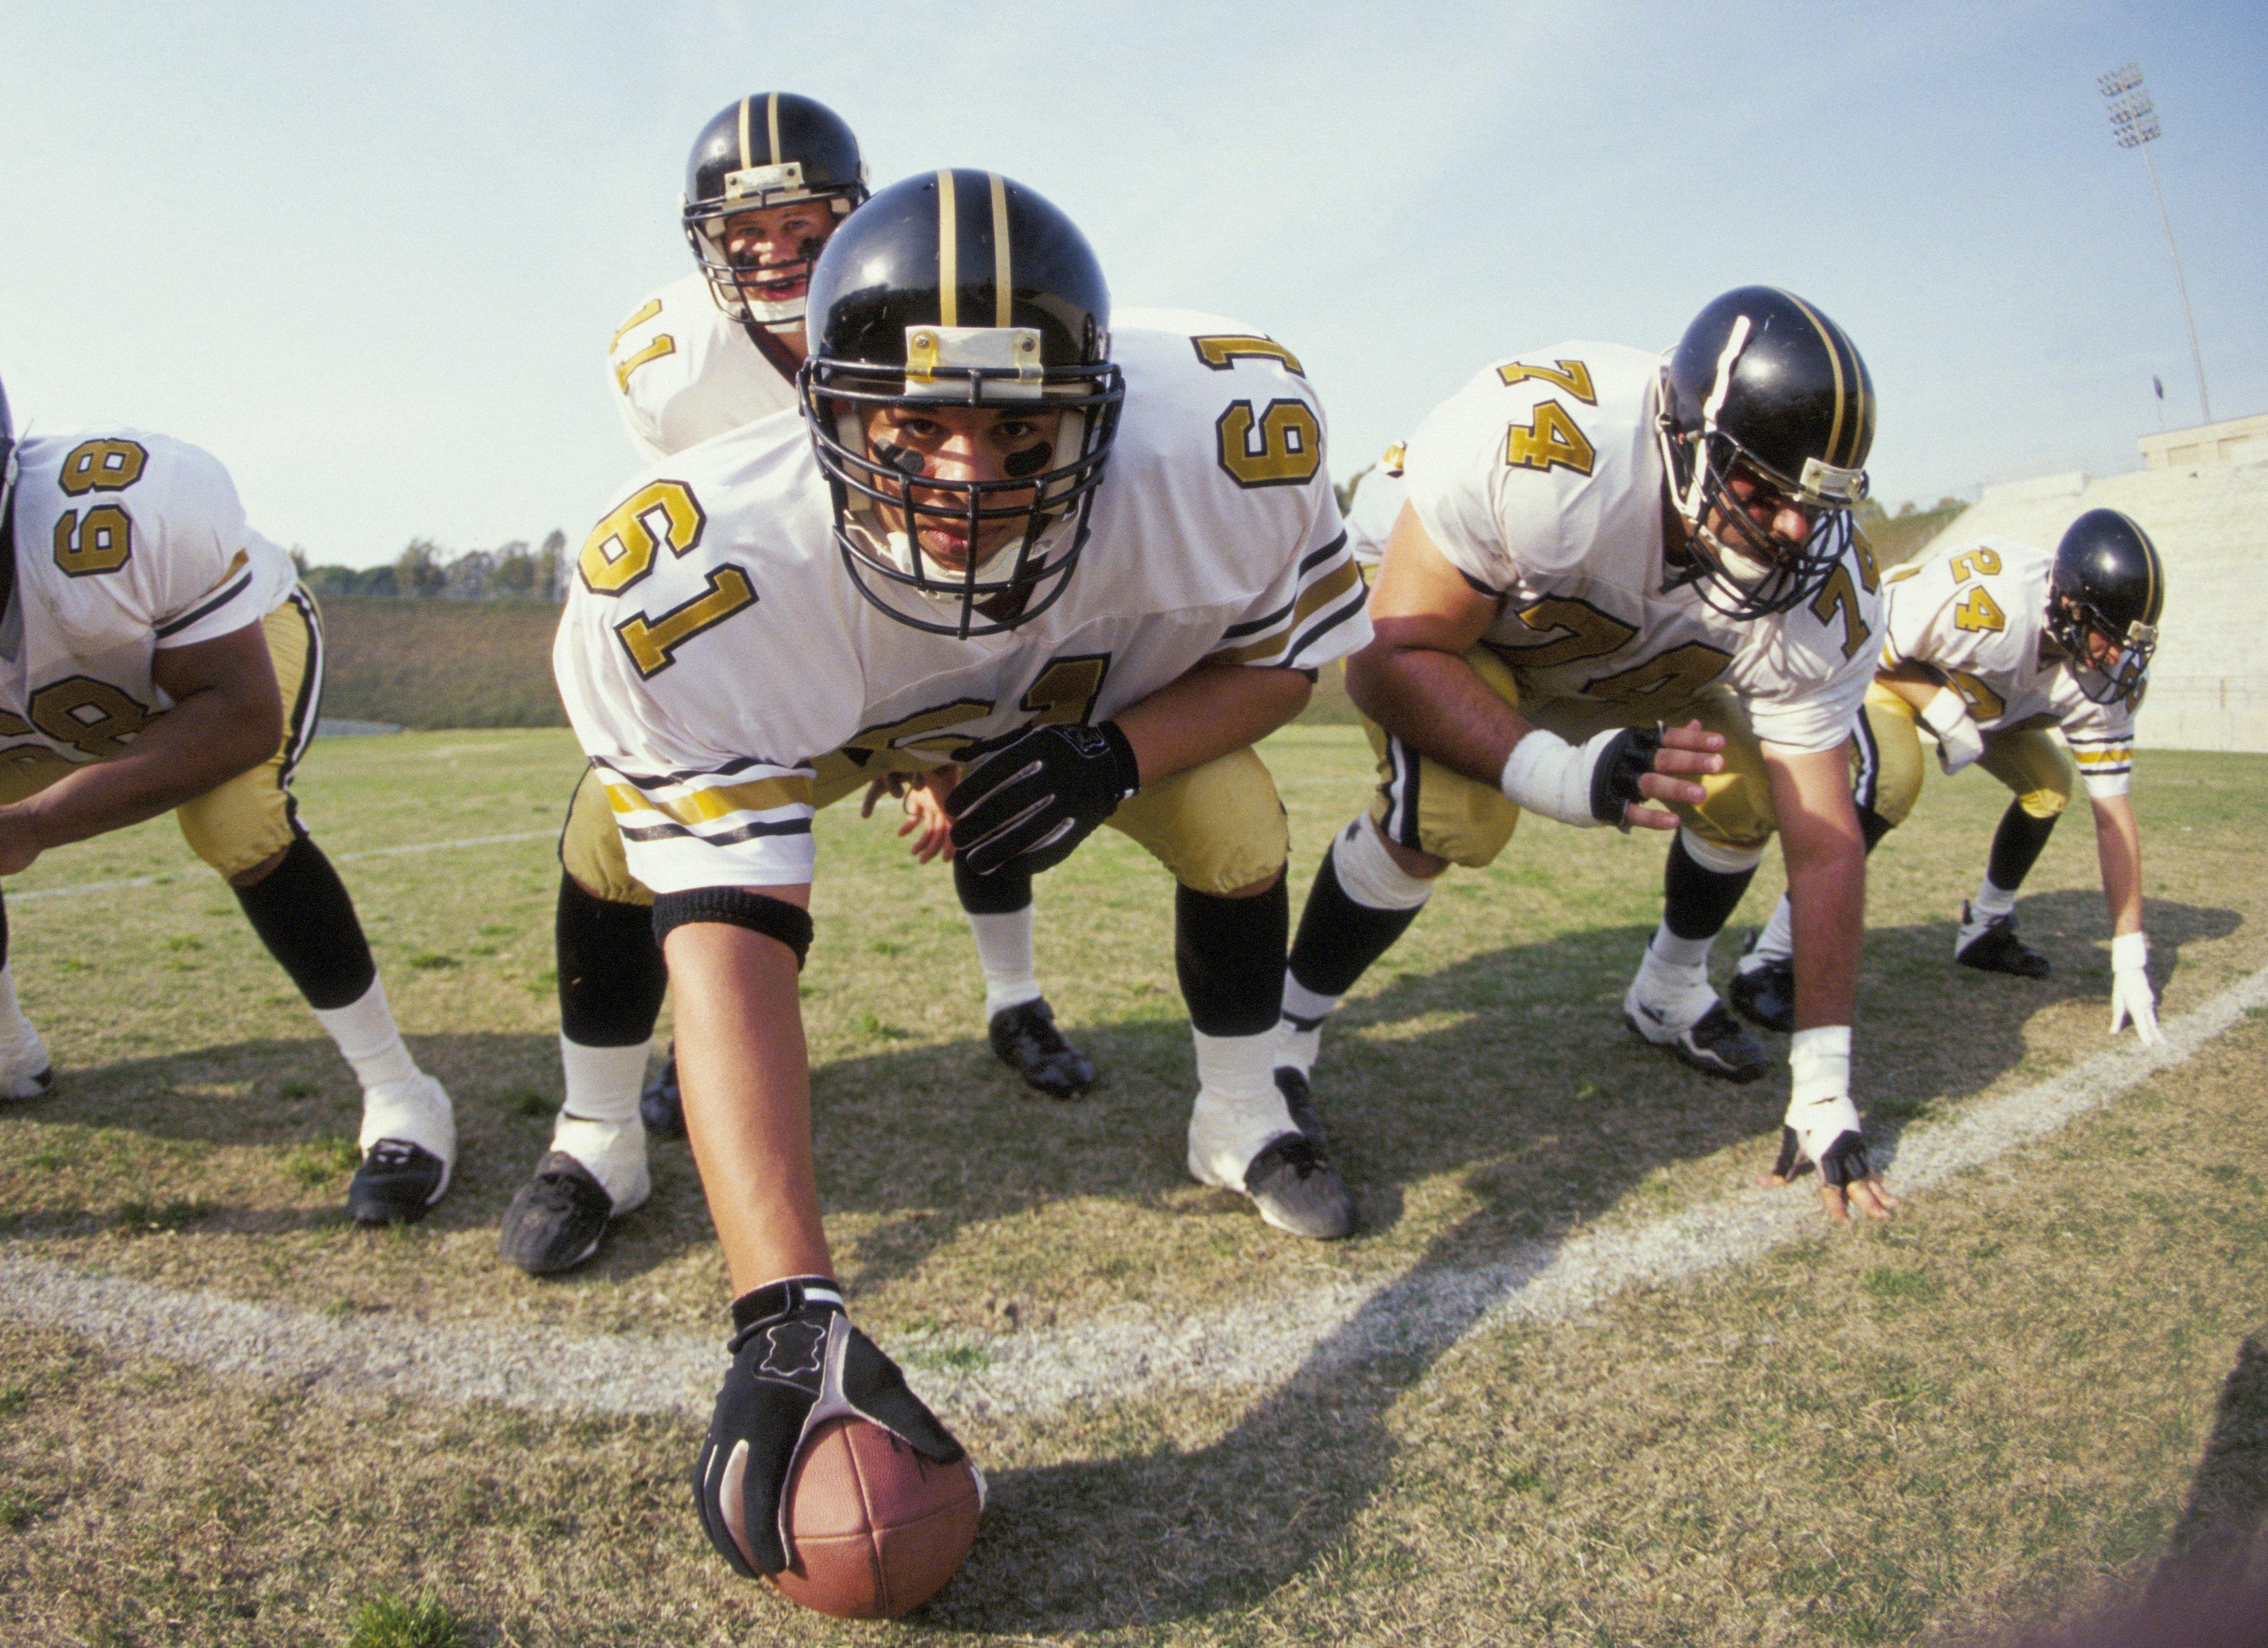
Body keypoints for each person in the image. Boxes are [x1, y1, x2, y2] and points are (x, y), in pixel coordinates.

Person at [555, 167, 1370, 1579]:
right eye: (914, 424)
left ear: (1095, 410)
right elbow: (737, 931)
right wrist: (784, 1310)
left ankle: (1240, 1117)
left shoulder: (1227, 455)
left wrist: (1110, 758)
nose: (967, 478)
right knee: (608, 849)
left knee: (1234, 815)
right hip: (848, 717)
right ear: (823, 408)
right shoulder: (698, 571)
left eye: (1018, 428)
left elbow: (1281, 668)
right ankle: (596, 1137)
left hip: (1080, 710)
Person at [509, 98, 1085, 1279]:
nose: (771, 248)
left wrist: (938, 735)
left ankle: (1012, 998)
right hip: (793, 633)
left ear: (857, 214)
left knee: (1006, 772)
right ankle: (594, 1130)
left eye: (801, 219)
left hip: (970, 606)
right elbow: (724, 563)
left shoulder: (934, 294)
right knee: (609, 835)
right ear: (702, 245)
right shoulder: (668, 367)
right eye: (745, 228)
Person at [0, 322, 456, 1239]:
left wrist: (33, 820)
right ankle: (1, 1045)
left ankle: (400, 1091)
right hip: (75, 701)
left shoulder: (116, 509)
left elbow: (237, 715)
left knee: (232, 818)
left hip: (224, 655)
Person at [1281, 287, 1900, 1224]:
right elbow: (1389, 660)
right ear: (1686, 440)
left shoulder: (1823, 585)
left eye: (1816, 503)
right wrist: (1561, 776)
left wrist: (1824, 1082)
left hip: (1616, 652)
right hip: (1444, 620)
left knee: (1753, 794)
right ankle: (1283, 1033)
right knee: (1454, 814)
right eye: (1765, 491)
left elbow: (1826, 842)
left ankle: (1669, 988)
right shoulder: (1549, 451)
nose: (1794, 533)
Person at [1731, 509, 2168, 1046]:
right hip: (1881, 659)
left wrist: (2128, 952)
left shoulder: (2104, 675)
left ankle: (1986, 926)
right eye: (2109, 633)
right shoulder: (1993, 602)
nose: (2119, 656)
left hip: (1982, 701)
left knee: (2050, 788)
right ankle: (1768, 957)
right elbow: (1869, 635)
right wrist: (1939, 707)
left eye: (2130, 639)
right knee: (1895, 780)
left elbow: (2113, 816)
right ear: (2071, 606)